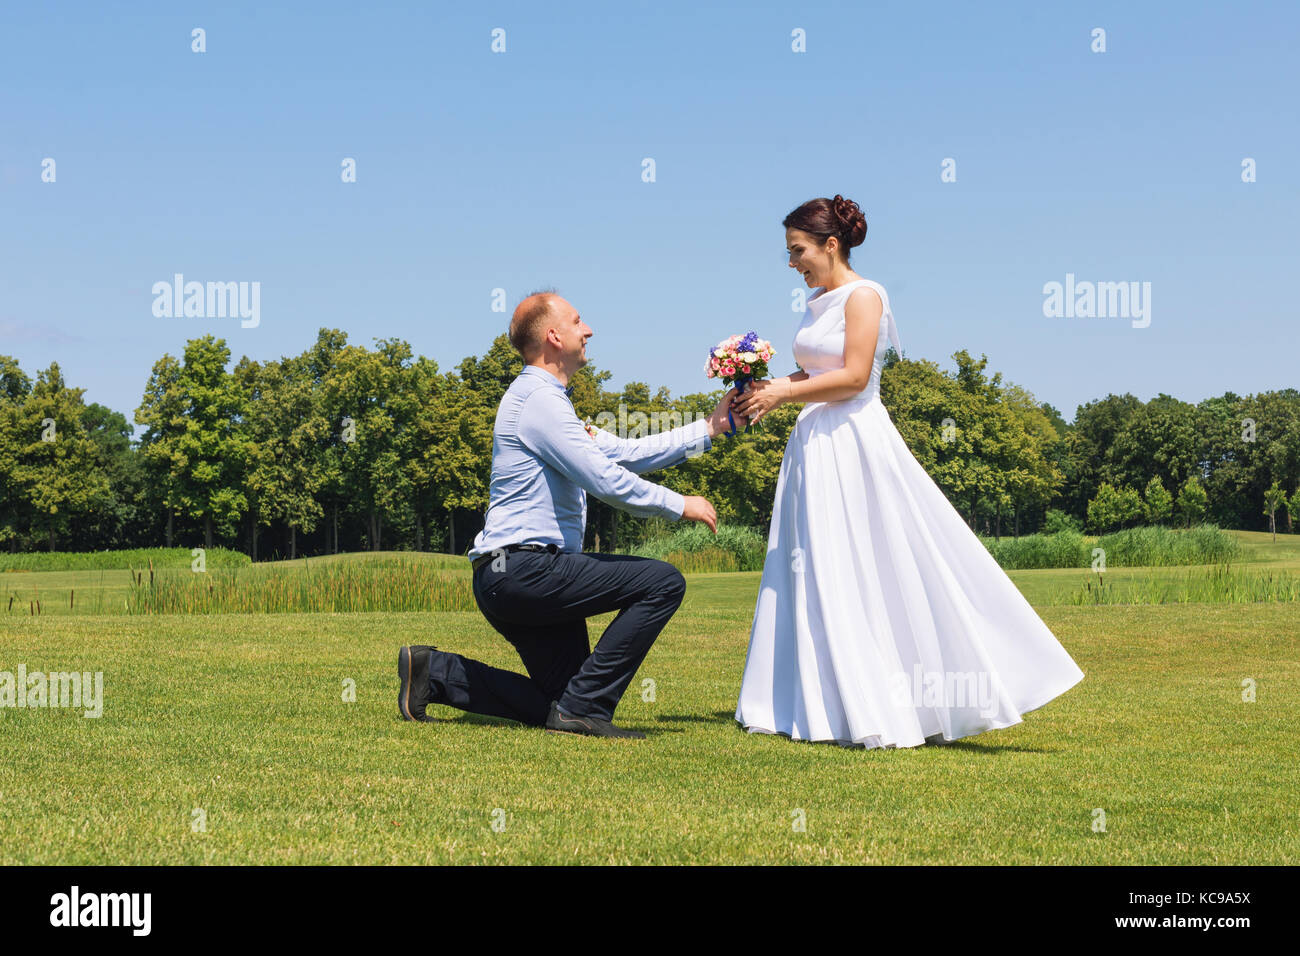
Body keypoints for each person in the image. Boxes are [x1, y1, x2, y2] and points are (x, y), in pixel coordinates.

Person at [731, 195, 1084, 748]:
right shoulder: (817, 302)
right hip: (814, 444)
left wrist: (784, 393)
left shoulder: (865, 296)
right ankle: (820, 702)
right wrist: (765, 386)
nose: (792, 263)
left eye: (797, 251)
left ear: (830, 244)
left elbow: (853, 377)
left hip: (855, 439)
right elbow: (815, 370)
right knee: (817, 563)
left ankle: (906, 696)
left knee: (875, 558)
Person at [397, 290, 743, 739]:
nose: (589, 330)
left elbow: (627, 454)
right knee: (663, 583)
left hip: (508, 576)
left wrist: (712, 428)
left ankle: (434, 673)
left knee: (558, 701)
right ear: (554, 336)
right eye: (578, 321)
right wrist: (679, 504)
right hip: (524, 570)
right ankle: (587, 709)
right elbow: (604, 479)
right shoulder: (538, 402)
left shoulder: (549, 404)